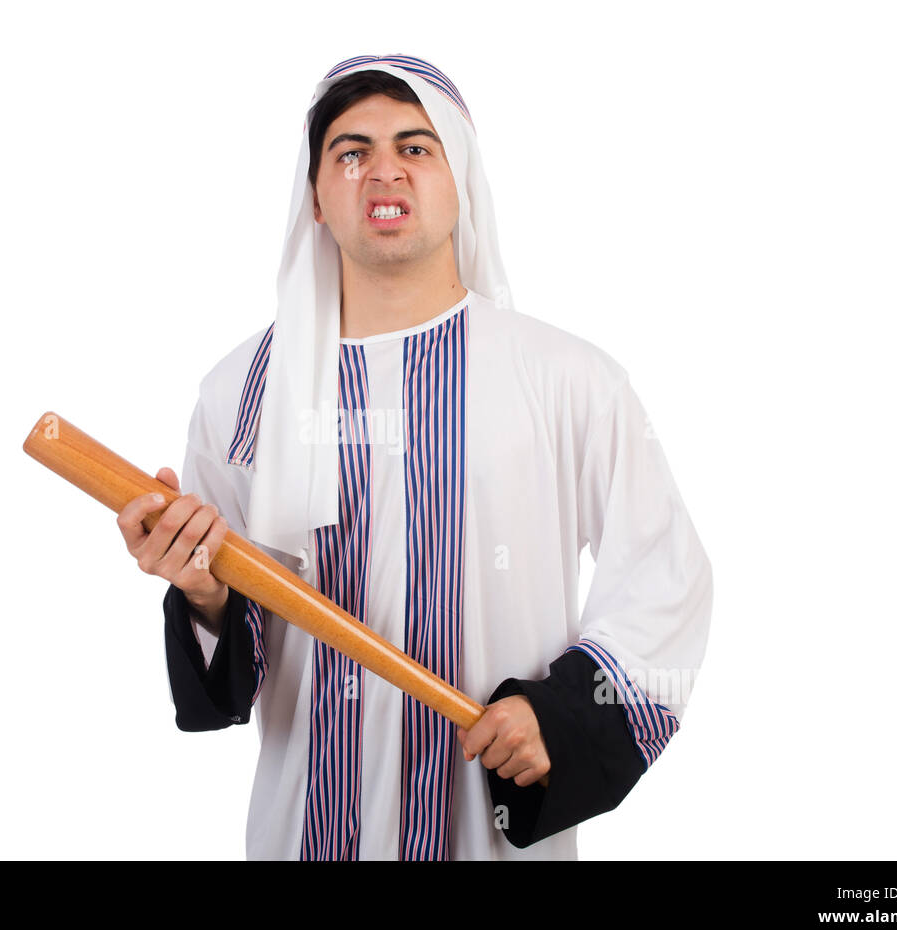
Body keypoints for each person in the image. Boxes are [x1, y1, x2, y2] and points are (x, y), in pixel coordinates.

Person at [116, 54, 713, 860]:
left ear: (459, 176)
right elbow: (237, 632)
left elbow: (664, 579)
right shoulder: (240, 395)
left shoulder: (568, 379)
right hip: (302, 837)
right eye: (351, 152)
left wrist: (563, 715)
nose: (383, 170)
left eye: (416, 146)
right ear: (317, 197)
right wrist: (201, 592)